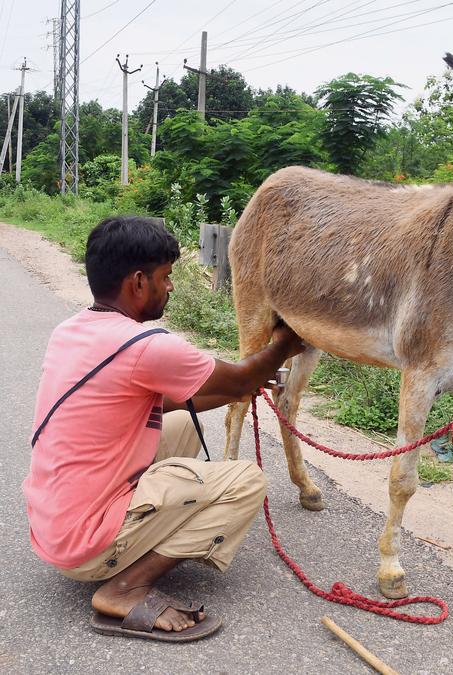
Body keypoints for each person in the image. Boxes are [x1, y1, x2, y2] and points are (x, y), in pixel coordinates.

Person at [23, 216, 305, 642]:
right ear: (138, 282)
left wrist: (239, 388)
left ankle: (147, 528)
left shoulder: (74, 329)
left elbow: (183, 396)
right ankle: (125, 586)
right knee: (246, 480)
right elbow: (242, 376)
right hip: (84, 545)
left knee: (178, 425)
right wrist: (286, 341)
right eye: (166, 276)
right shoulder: (148, 347)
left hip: (54, 523)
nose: (170, 287)